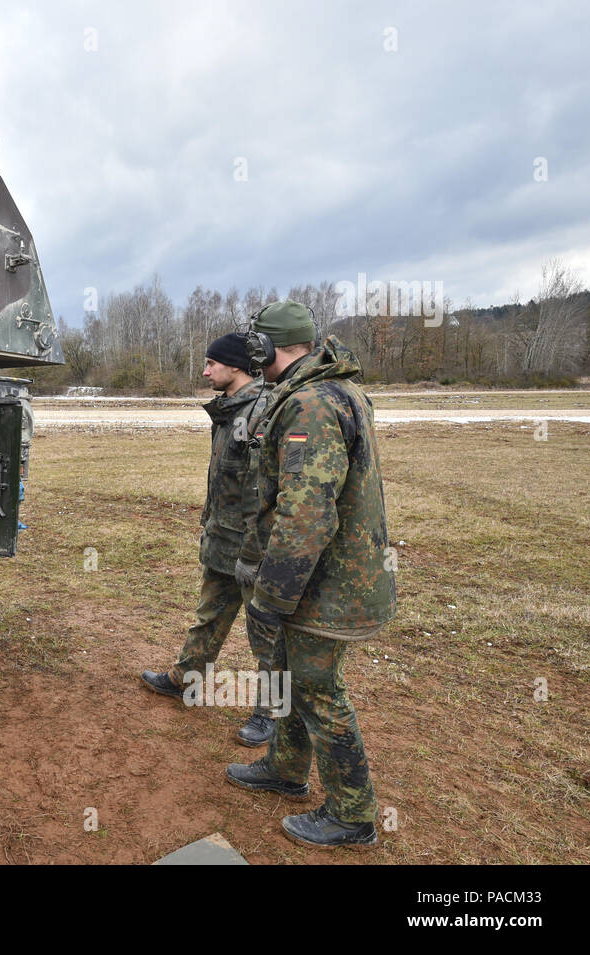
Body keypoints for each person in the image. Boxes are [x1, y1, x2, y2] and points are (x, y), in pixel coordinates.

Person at [225, 300, 395, 849]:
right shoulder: (328, 389)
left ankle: (353, 815)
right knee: (290, 677)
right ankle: (286, 769)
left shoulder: (312, 404)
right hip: (321, 578)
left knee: (317, 688)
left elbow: (307, 512)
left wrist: (272, 594)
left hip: (325, 583)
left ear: (268, 348)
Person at [141, 332, 279, 747]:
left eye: (211, 364)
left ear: (235, 366)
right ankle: (186, 678)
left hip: (255, 546)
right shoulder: (230, 410)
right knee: (210, 614)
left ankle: (270, 713)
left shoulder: (261, 411)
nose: (205, 371)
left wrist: (257, 550)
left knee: (268, 635)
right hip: (223, 537)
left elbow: (266, 490)